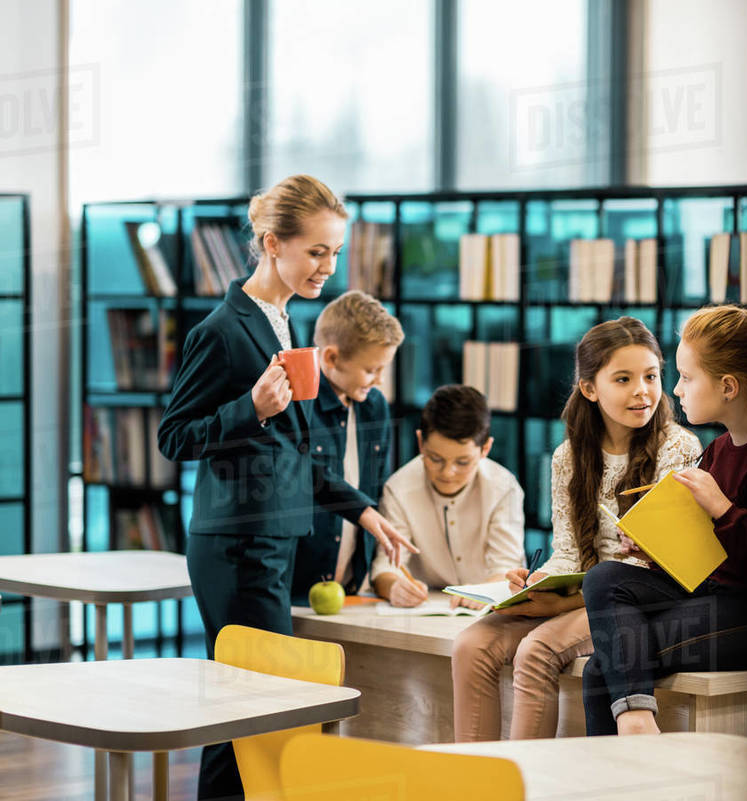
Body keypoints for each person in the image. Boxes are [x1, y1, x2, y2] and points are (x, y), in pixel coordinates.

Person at [157, 174, 416, 801]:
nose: (329, 266)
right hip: (239, 547)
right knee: (250, 713)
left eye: (335, 251)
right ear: (273, 244)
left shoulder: (279, 321)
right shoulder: (221, 330)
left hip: (270, 541)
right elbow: (174, 437)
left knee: (254, 712)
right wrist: (249, 406)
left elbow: (290, 452)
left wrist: (362, 512)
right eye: (316, 251)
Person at [451, 317, 701, 741]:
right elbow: (567, 550)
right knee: (470, 646)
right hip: (581, 597)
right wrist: (536, 584)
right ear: (589, 388)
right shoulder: (567, 456)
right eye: (623, 379)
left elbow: (658, 567)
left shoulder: (679, 448)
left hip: (631, 602)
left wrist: (556, 606)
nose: (642, 390)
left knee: (536, 650)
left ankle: (528, 785)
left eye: (651, 376)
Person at [580, 305, 747, 736]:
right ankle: (636, 726)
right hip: (711, 594)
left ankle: (635, 733)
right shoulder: (717, 451)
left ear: (728, 386)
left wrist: (723, 509)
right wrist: (658, 548)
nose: (675, 389)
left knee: (604, 667)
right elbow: (704, 559)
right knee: (603, 579)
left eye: (687, 378)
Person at [290, 290, 404, 603]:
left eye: (383, 369)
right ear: (331, 358)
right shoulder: (299, 405)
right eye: (370, 370)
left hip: (353, 586)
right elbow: (303, 475)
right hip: (298, 587)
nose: (379, 380)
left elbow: (378, 486)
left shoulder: (375, 405)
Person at [370, 384, 525, 610]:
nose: (447, 473)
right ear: (420, 442)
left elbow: (507, 568)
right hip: (424, 610)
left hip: (489, 613)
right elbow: (385, 569)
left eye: (462, 462)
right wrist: (395, 587)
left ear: (485, 449)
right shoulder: (399, 488)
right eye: (435, 459)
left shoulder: (503, 488)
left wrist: (485, 591)